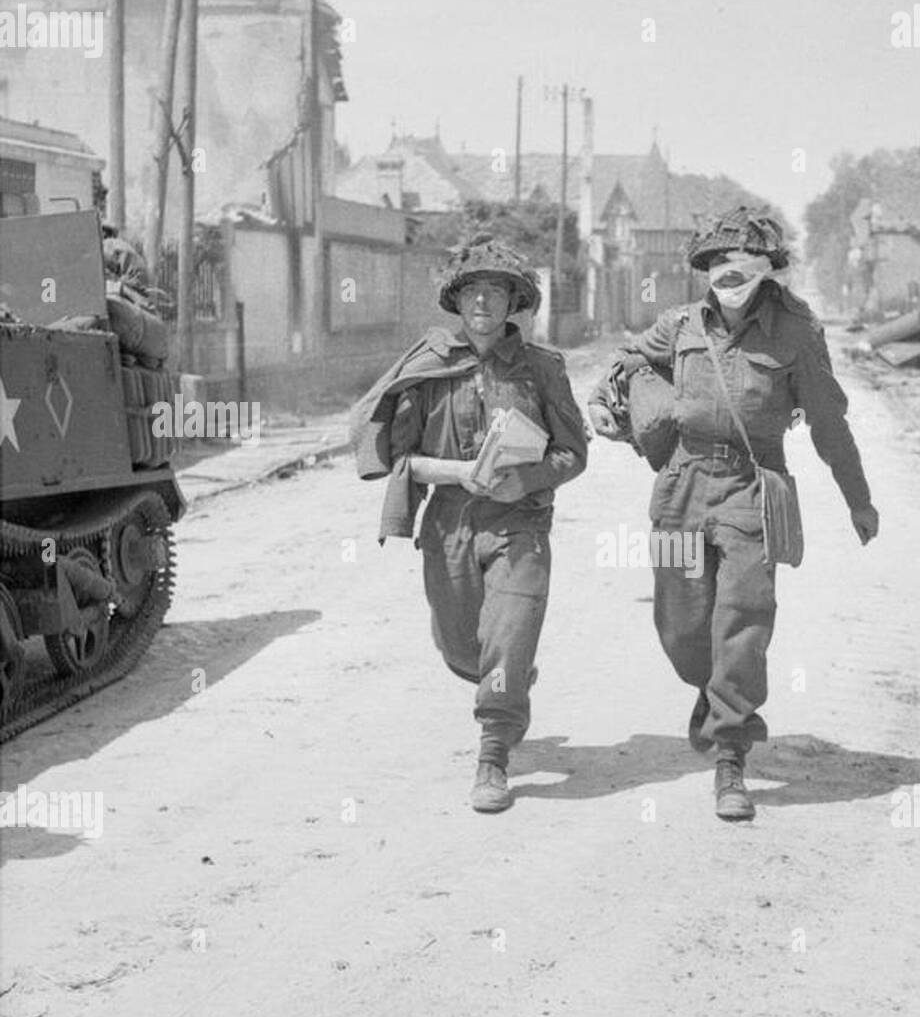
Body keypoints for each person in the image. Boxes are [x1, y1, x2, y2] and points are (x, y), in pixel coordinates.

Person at [588, 207, 878, 821]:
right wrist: (612, 402)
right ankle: (710, 690)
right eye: (717, 264)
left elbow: (828, 420)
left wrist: (858, 497)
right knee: (681, 628)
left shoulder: (797, 332)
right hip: (681, 486)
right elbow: (628, 361)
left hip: (752, 487)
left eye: (741, 264)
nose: (728, 274)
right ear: (704, 272)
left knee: (743, 623)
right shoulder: (680, 325)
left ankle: (730, 758)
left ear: (766, 272)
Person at [350, 235, 587, 813]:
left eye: (497, 292)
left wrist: (523, 481)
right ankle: (502, 675)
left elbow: (573, 453)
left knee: (507, 637)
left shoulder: (542, 369)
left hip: (519, 527)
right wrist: (458, 471)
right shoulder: (427, 368)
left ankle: (493, 756)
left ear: (514, 305)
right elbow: (401, 459)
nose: (483, 301)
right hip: (450, 526)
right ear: (458, 301)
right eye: (473, 291)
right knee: (463, 647)